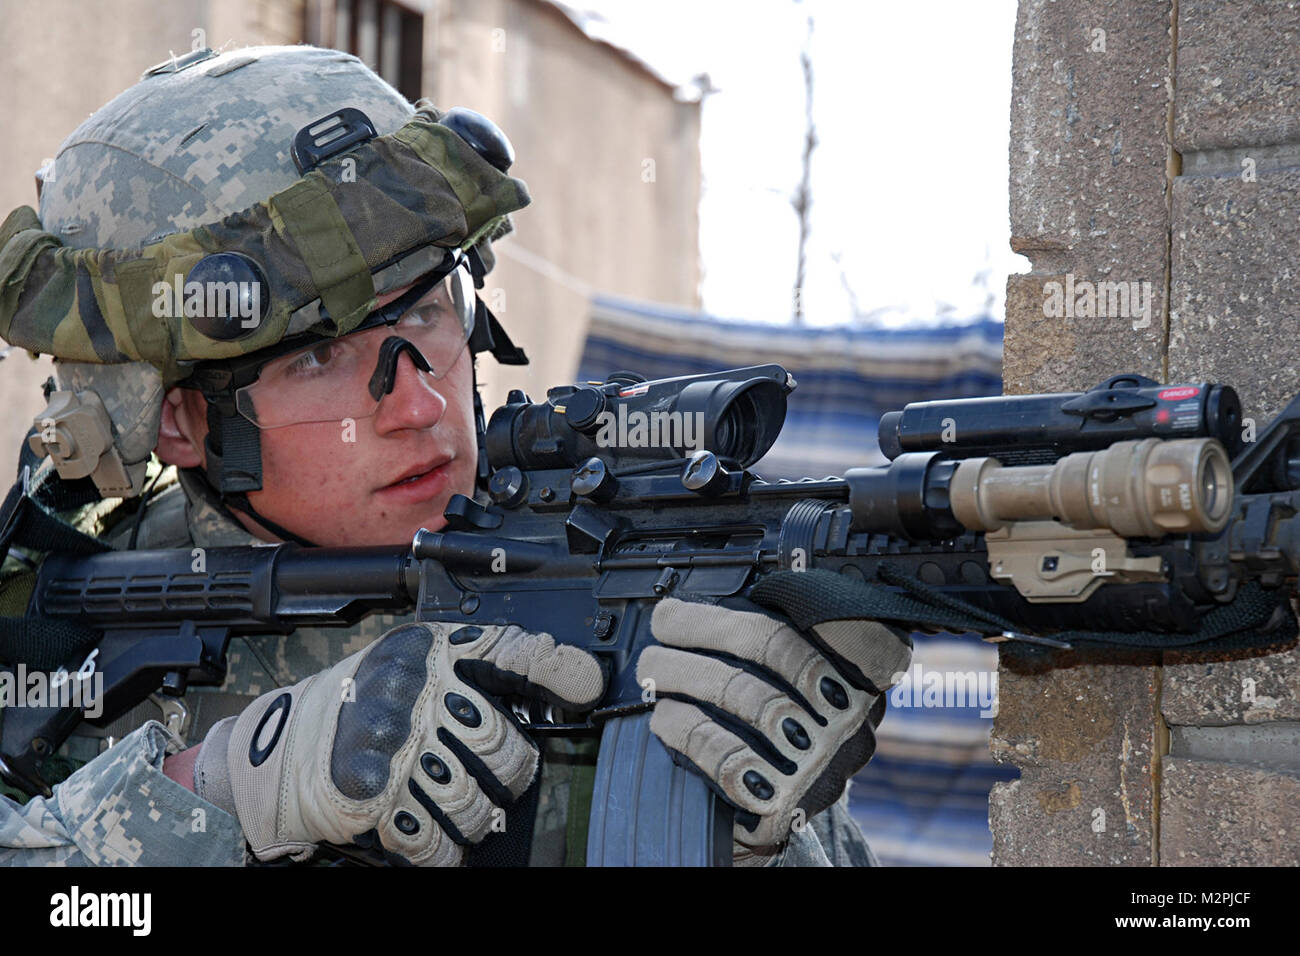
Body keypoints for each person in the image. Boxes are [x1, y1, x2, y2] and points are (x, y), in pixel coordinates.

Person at [0, 45, 911, 867]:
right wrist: (215, 791)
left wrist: (765, 849)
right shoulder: (53, 646)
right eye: (318, 355)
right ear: (175, 420)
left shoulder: (617, 585)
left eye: (427, 312)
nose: (421, 401)